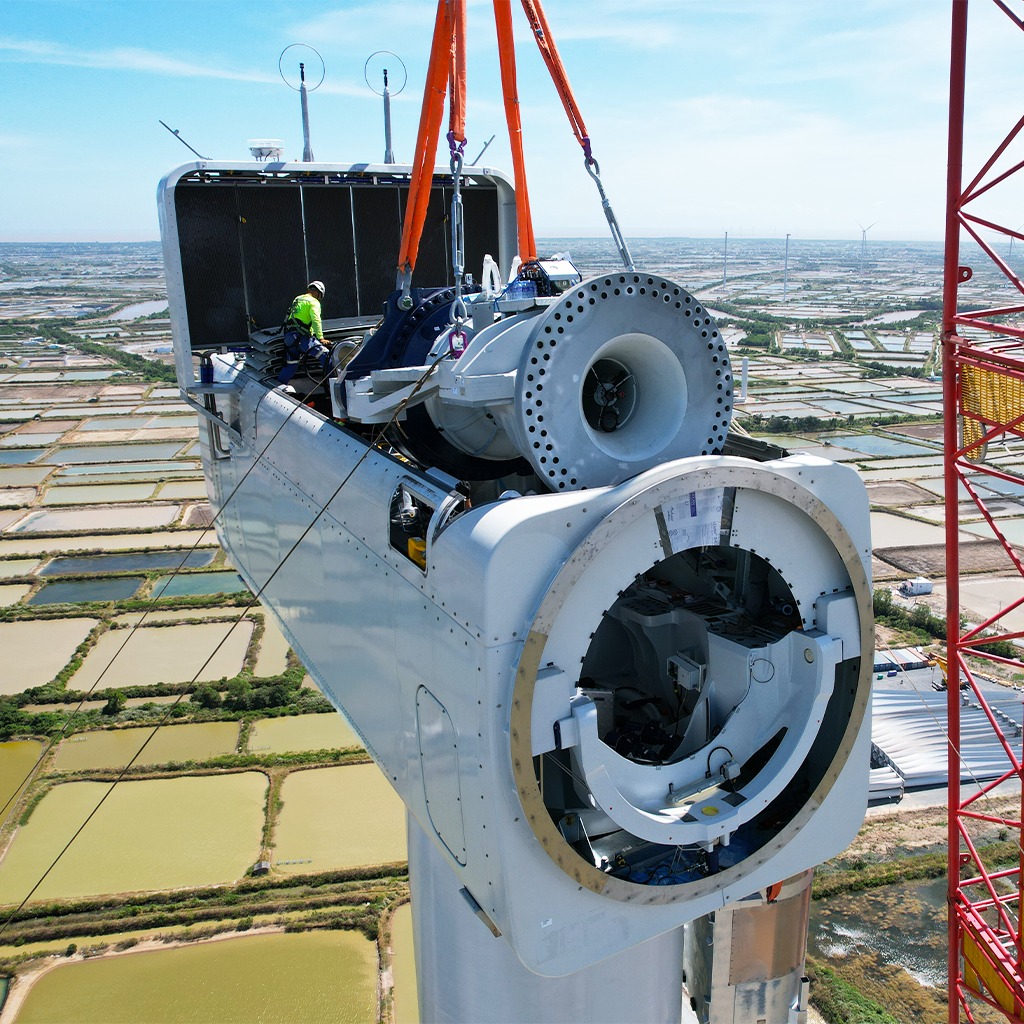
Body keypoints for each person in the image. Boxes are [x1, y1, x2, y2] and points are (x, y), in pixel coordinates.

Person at [278, 281, 332, 383]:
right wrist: (321, 338)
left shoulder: (298, 299)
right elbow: (316, 320)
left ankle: (278, 388)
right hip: (301, 338)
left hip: (289, 338)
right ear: (318, 293)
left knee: (291, 366)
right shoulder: (314, 302)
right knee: (326, 356)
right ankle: (332, 388)